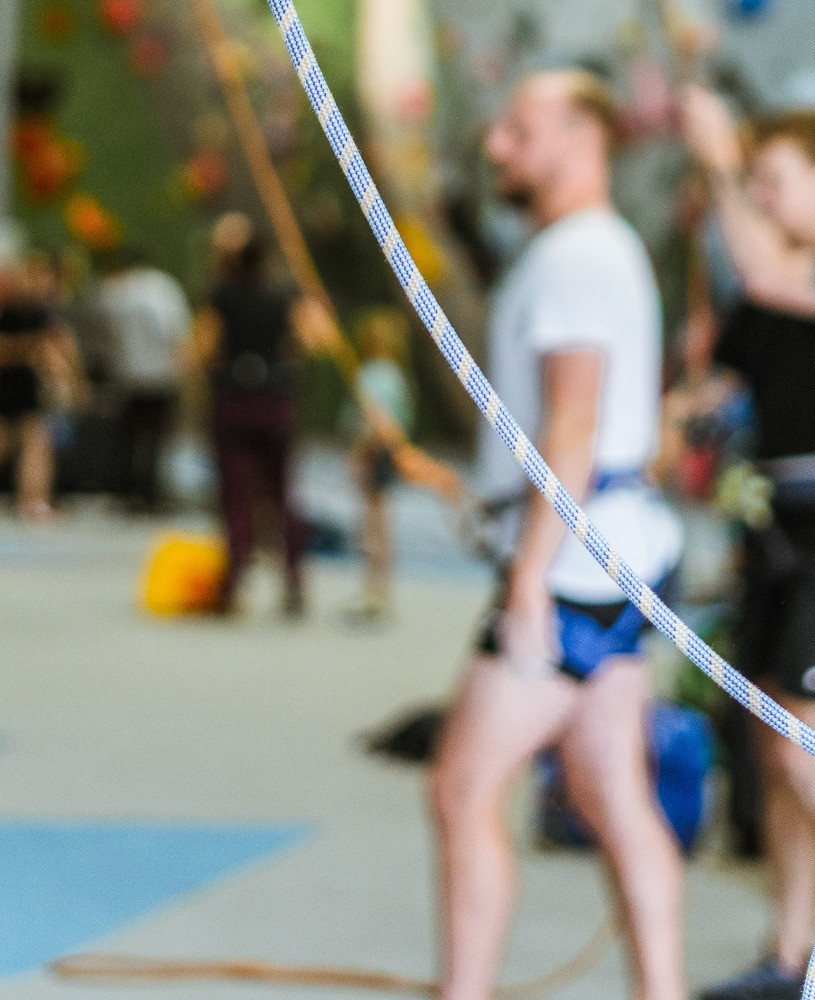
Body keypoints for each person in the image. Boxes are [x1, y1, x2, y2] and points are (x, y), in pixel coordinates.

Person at [428, 69, 685, 1000]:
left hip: (577, 566)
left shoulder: (576, 257)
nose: (495, 146)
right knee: (610, 793)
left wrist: (528, 575)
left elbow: (572, 424)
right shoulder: (595, 247)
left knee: (460, 788)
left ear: (583, 136)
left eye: (520, 129)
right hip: (617, 551)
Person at [681, 87, 815, 1000]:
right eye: (754, 183)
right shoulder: (762, 294)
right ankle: (787, 952)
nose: (758, 198)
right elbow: (716, 376)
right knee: (773, 746)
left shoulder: (786, 278)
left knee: (801, 747)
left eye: (775, 179)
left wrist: (719, 161)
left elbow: (766, 275)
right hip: (774, 532)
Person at [192, 213, 327, 617]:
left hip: (234, 401)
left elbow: (204, 350)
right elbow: (314, 340)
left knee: (235, 494)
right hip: (275, 401)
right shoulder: (284, 297)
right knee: (282, 492)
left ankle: (235, 579)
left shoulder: (221, 298)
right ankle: (293, 577)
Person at [0, 252, 83, 519]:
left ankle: (34, 499)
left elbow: (60, 348)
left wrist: (70, 380)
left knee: (35, 441)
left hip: (30, 386)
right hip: (7, 384)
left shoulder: (45, 314)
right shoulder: (10, 311)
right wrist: (26, 352)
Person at [94, 246, 193, 513]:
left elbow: (103, 332)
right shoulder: (162, 288)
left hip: (127, 373)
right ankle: (151, 494)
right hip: (160, 373)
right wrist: (185, 369)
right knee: (156, 437)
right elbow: (175, 331)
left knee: (127, 436)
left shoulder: (114, 291)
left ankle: (127, 491)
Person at [342, 308, 415, 624]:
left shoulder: (369, 374)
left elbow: (366, 420)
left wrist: (358, 453)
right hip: (388, 450)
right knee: (382, 517)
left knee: (371, 520)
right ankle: (381, 586)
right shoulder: (396, 376)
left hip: (374, 451)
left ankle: (373, 586)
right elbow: (403, 417)